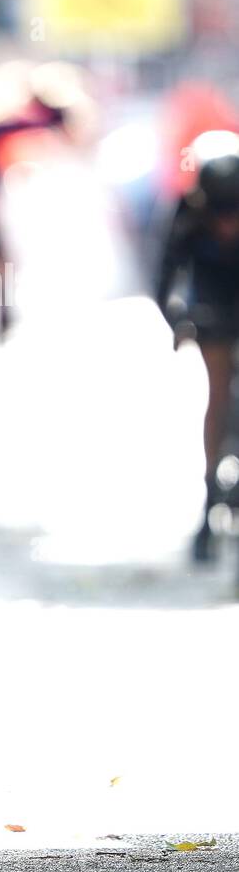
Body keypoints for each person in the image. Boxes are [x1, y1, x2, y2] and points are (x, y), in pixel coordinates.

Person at [155, 130, 239, 561]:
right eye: (220, 214)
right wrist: (179, 320)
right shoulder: (187, 211)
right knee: (219, 395)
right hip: (211, 306)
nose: (228, 225)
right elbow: (165, 276)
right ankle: (209, 501)